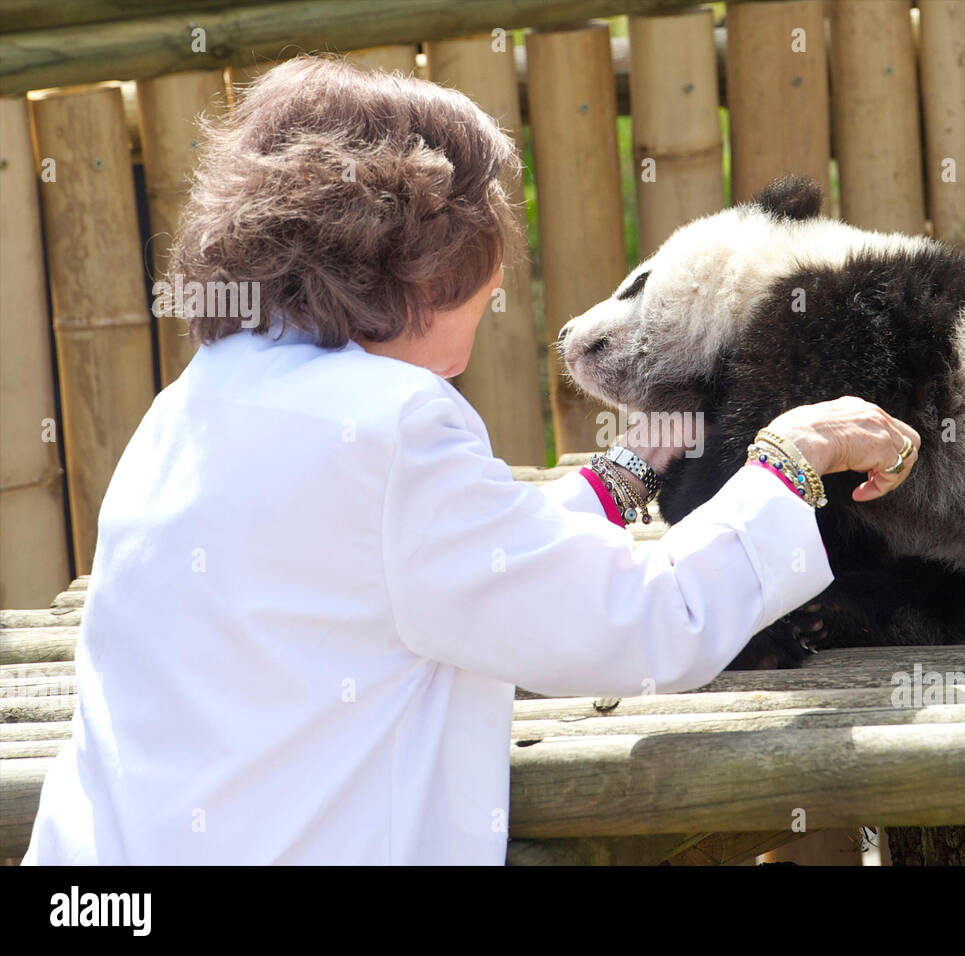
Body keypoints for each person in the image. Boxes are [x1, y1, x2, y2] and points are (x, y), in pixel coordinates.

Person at [22, 56, 919, 865]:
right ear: (424, 269)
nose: (490, 310)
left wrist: (619, 479)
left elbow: (425, 571)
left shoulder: (188, 406)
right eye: (487, 283)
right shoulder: (397, 426)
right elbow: (645, 624)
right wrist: (788, 460)